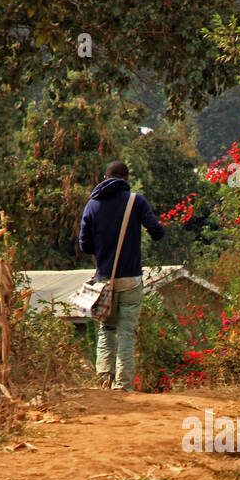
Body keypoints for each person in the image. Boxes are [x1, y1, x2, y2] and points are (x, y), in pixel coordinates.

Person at [78, 160, 165, 392]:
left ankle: (103, 380)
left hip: (104, 281)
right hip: (130, 280)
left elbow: (84, 245)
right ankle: (123, 386)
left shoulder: (92, 205)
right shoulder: (136, 201)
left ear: (105, 178)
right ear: (126, 179)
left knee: (106, 328)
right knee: (127, 331)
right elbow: (156, 232)